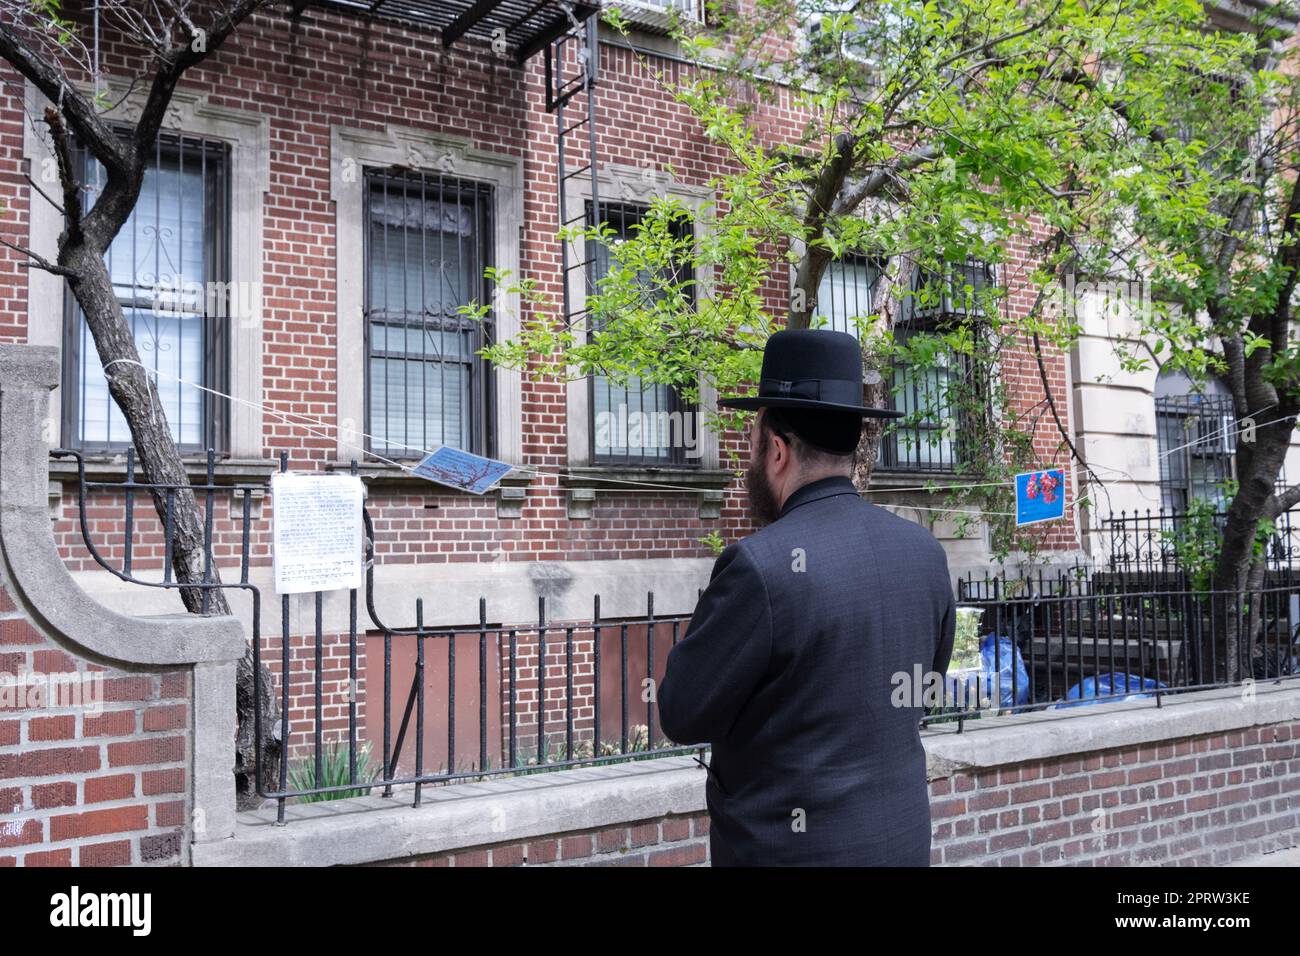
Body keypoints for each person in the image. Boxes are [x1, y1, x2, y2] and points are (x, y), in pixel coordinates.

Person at [657, 328, 957, 866]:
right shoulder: (924, 552)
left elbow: (682, 713)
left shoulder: (760, 566)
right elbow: (921, 693)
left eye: (750, 444)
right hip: (903, 845)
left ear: (776, 449)